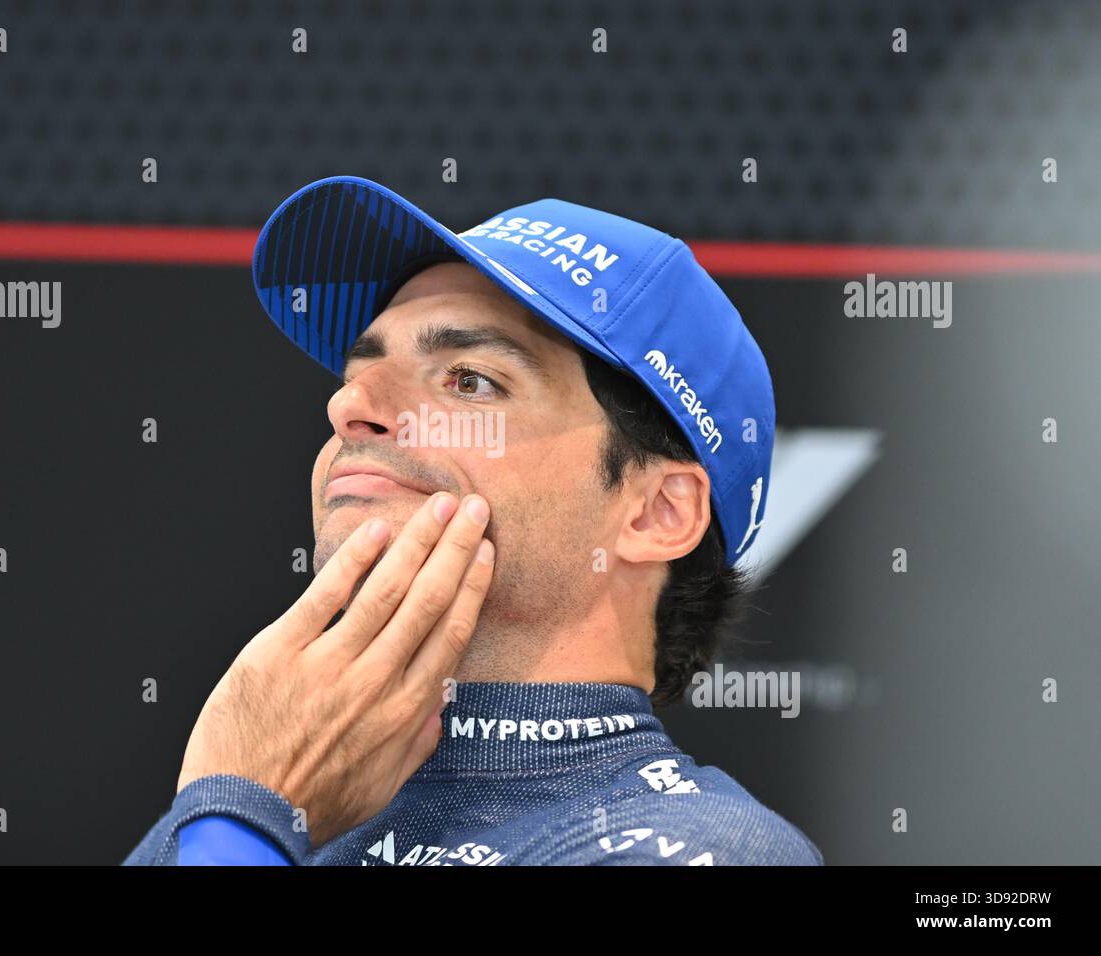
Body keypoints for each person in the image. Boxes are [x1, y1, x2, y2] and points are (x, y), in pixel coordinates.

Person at [124, 176, 821, 866]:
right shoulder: (258, 796)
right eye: (354, 375)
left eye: (468, 379)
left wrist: (238, 834)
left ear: (657, 512)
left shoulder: (706, 848)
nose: (349, 409)